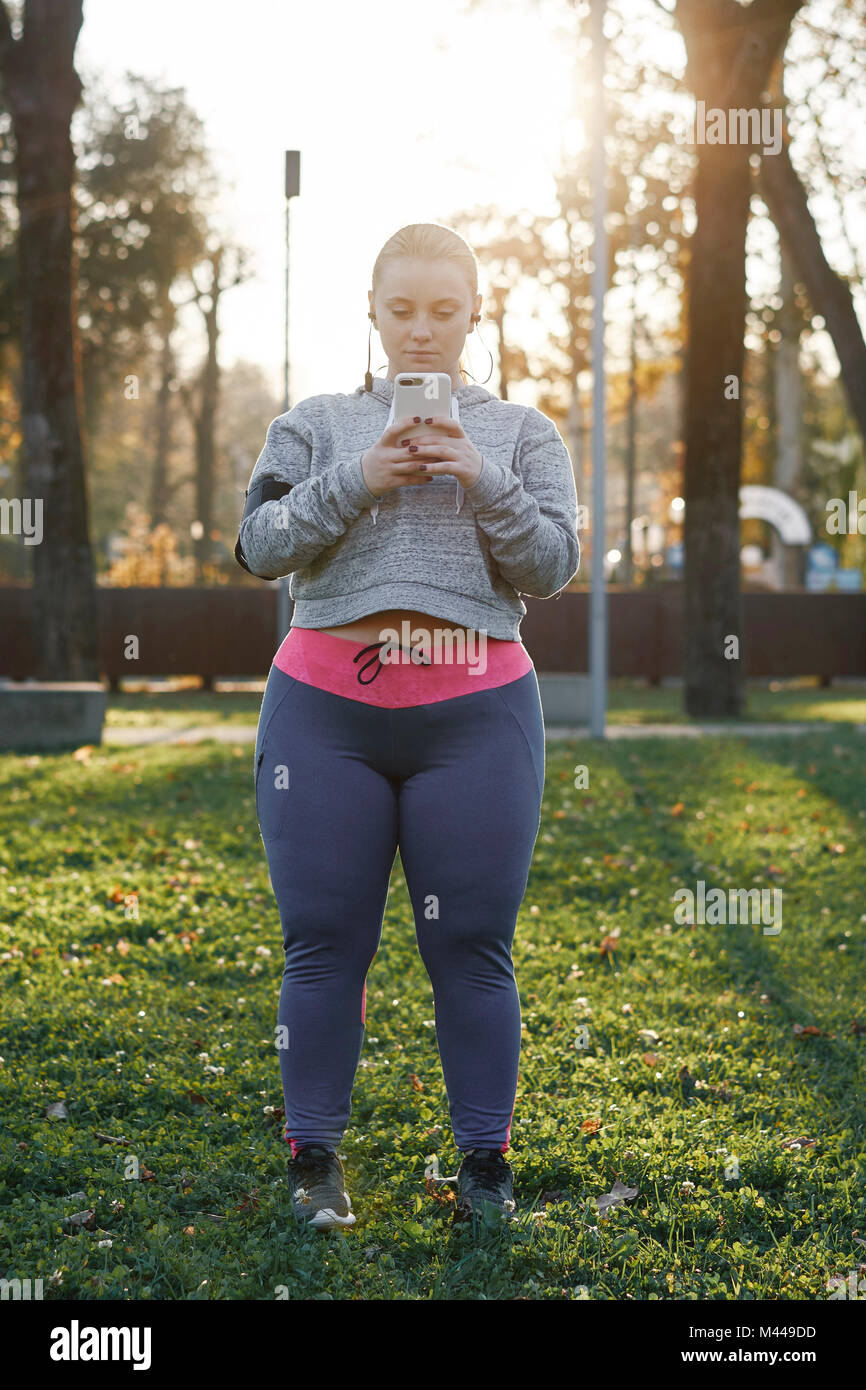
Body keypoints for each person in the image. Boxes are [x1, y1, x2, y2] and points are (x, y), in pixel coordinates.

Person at [236, 222, 580, 1231]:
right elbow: (258, 545)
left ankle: (484, 1167)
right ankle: (313, 1164)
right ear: (375, 314)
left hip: (473, 715)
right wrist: (358, 480)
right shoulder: (312, 424)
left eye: (442, 309)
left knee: (472, 944)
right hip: (323, 714)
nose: (421, 331)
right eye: (401, 311)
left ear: (474, 311)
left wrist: (479, 475)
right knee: (322, 941)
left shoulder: (522, 432)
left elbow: (551, 567)